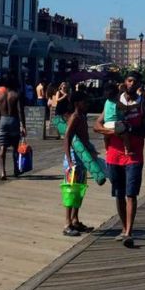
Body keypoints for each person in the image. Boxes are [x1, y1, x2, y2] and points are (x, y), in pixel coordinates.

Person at [94, 71, 145, 248]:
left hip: (134, 155)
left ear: (140, 84)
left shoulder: (144, 104)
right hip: (113, 155)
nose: (132, 83)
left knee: (131, 194)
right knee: (118, 194)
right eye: (129, 80)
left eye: (135, 81)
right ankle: (124, 227)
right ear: (124, 83)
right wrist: (112, 132)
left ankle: (129, 232)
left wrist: (130, 130)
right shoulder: (113, 102)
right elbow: (97, 125)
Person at [63, 92, 95, 237]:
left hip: (82, 158)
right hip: (74, 159)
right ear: (77, 103)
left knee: (80, 190)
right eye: (84, 102)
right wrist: (69, 160)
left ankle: (75, 219)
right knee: (71, 191)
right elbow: (67, 138)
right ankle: (67, 223)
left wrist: (92, 151)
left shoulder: (82, 116)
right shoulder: (74, 117)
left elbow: (84, 138)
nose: (87, 104)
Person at [0, 80, 26, 180]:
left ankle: (3, 172)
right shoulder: (16, 95)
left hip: (3, 120)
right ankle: (16, 169)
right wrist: (23, 125)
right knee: (15, 147)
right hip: (13, 120)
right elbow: (20, 111)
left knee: (3, 147)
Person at [103, 82, 132, 156]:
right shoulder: (117, 103)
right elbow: (123, 111)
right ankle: (127, 150)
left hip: (106, 124)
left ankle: (106, 149)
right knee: (126, 136)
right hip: (116, 123)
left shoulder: (106, 102)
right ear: (116, 94)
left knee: (106, 138)